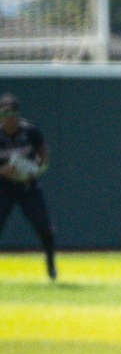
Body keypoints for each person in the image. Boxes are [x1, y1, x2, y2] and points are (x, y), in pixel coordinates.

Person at [0, 94, 58, 281]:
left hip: (27, 186)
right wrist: (2, 170)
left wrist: (37, 169)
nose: (10, 118)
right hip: (3, 187)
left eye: (14, 113)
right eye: (6, 113)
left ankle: (51, 265)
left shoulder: (30, 131)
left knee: (45, 227)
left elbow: (44, 153)